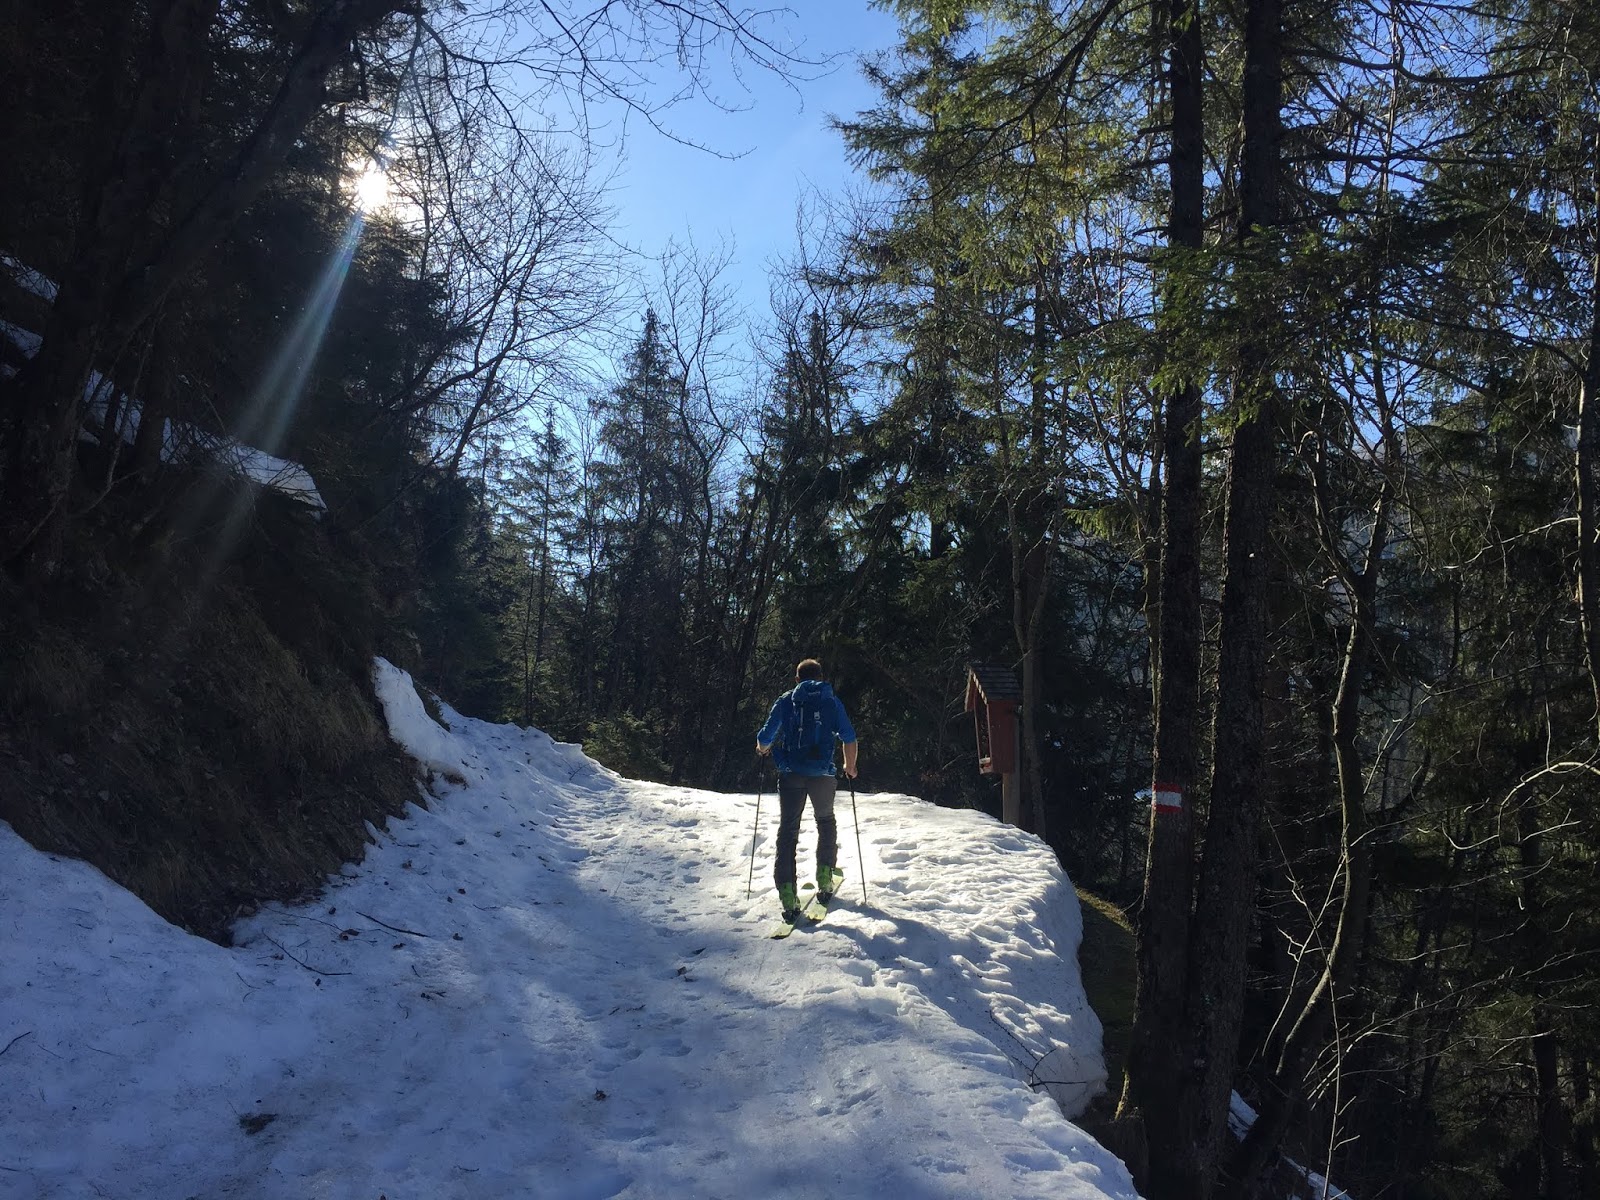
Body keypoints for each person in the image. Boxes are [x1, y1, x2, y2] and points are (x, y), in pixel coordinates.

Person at [755, 657, 859, 920]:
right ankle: (825, 878)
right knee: (825, 821)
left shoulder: (787, 700)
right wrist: (850, 766)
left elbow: (765, 737)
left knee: (788, 829)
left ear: (797, 678)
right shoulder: (830, 701)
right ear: (821, 676)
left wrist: (763, 749)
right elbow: (849, 736)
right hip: (823, 774)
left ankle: (788, 894)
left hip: (791, 774)